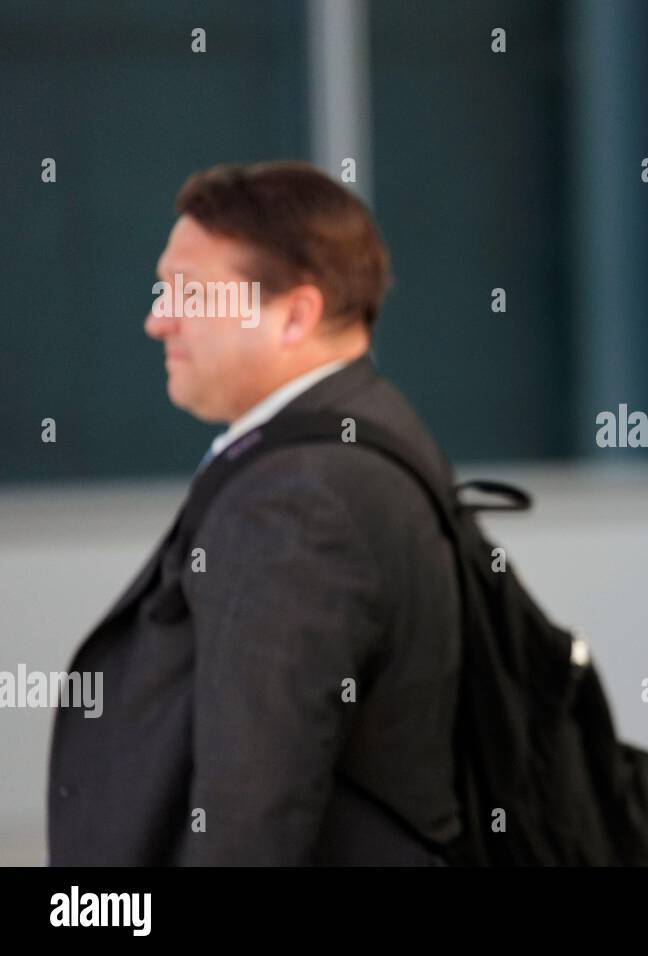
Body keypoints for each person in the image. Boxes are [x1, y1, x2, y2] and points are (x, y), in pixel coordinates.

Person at [48, 161, 461, 865]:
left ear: (294, 316)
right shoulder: (367, 425)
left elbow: (250, 821)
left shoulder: (300, 499)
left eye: (187, 292)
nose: (157, 320)